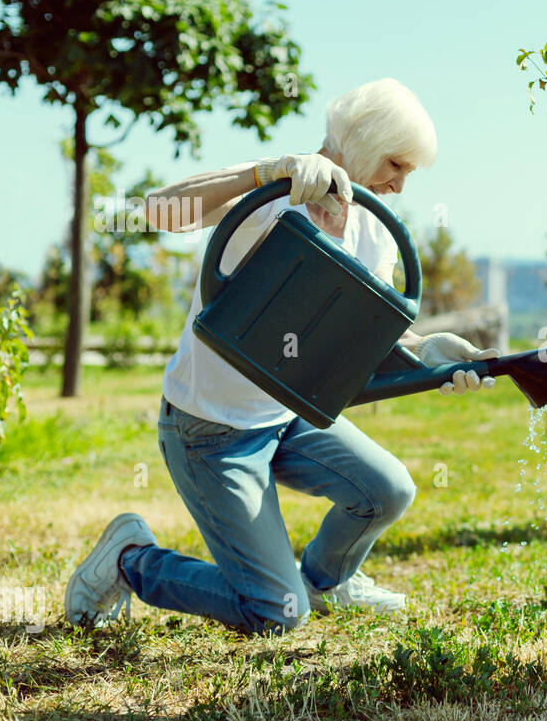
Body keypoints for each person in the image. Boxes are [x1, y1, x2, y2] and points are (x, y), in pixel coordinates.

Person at [65, 79, 501, 635]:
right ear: (364, 142)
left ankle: (325, 582)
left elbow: (370, 337)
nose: (400, 184)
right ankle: (131, 560)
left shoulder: (377, 236)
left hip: (289, 417)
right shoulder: (272, 196)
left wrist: (429, 354)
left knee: (387, 490)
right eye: (396, 164)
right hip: (212, 431)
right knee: (276, 614)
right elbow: (157, 212)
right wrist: (263, 173)